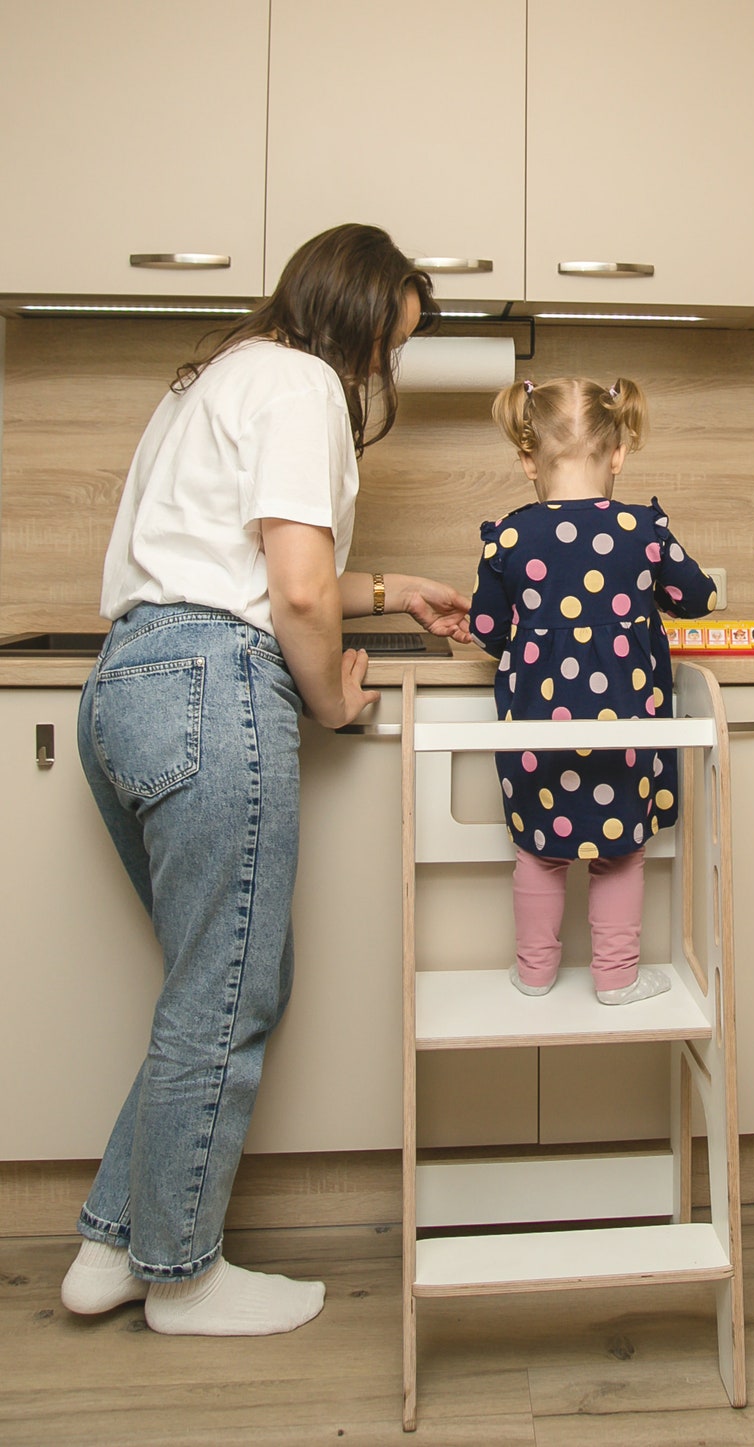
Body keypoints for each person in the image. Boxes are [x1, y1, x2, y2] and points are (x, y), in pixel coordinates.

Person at [60, 224, 471, 1337]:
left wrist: (391, 586)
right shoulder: (300, 385)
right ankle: (184, 1275)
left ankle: (113, 1243)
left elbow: (242, 562)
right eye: (389, 345)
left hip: (130, 681)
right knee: (228, 987)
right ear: (355, 322)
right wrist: (334, 702)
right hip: (211, 684)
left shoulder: (215, 378)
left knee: (220, 976)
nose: (383, 371)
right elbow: (291, 596)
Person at [469, 377, 716, 1006]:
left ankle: (533, 974)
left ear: (528, 457)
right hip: (626, 731)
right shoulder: (642, 529)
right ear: (618, 453)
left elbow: (487, 629)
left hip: (537, 732)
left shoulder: (510, 536)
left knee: (538, 852)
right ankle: (616, 977)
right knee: (620, 852)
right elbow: (697, 599)